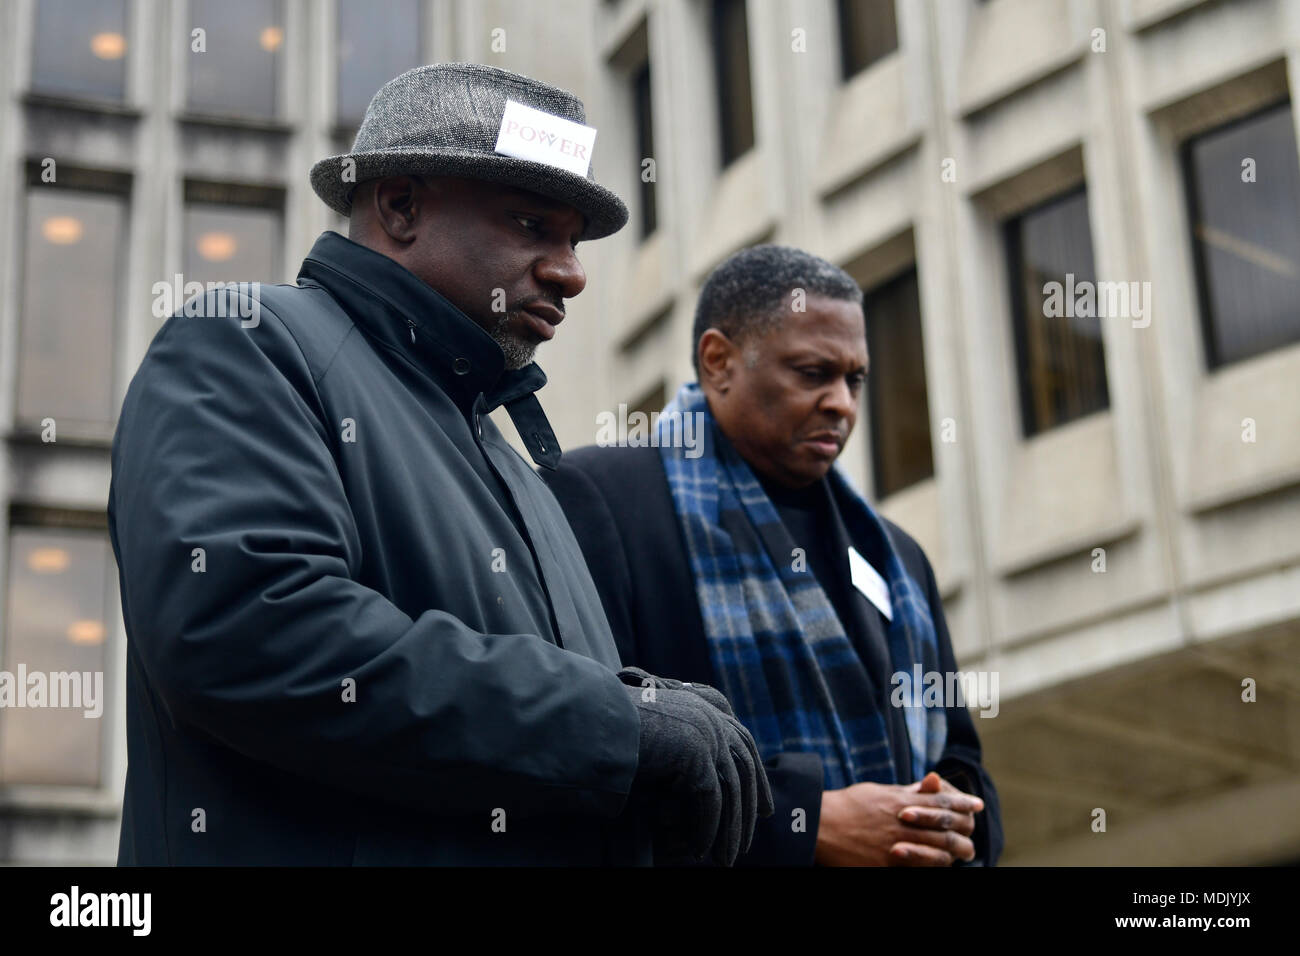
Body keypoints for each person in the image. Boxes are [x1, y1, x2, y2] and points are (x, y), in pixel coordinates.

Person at [109, 63, 769, 866]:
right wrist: (614, 723)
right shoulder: (248, 340)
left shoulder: (508, 458)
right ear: (400, 205)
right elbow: (245, 630)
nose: (572, 271)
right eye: (532, 225)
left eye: (574, 240)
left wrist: (635, 716)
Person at [542, 245, 1003, 866]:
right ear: (719, 361)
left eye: (855, 378)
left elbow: (963, 762)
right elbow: (582, 747)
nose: (842, 402)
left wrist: (940, 819)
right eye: (813, 373)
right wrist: (804, 824)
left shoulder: (896, 554)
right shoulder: (598, 497)